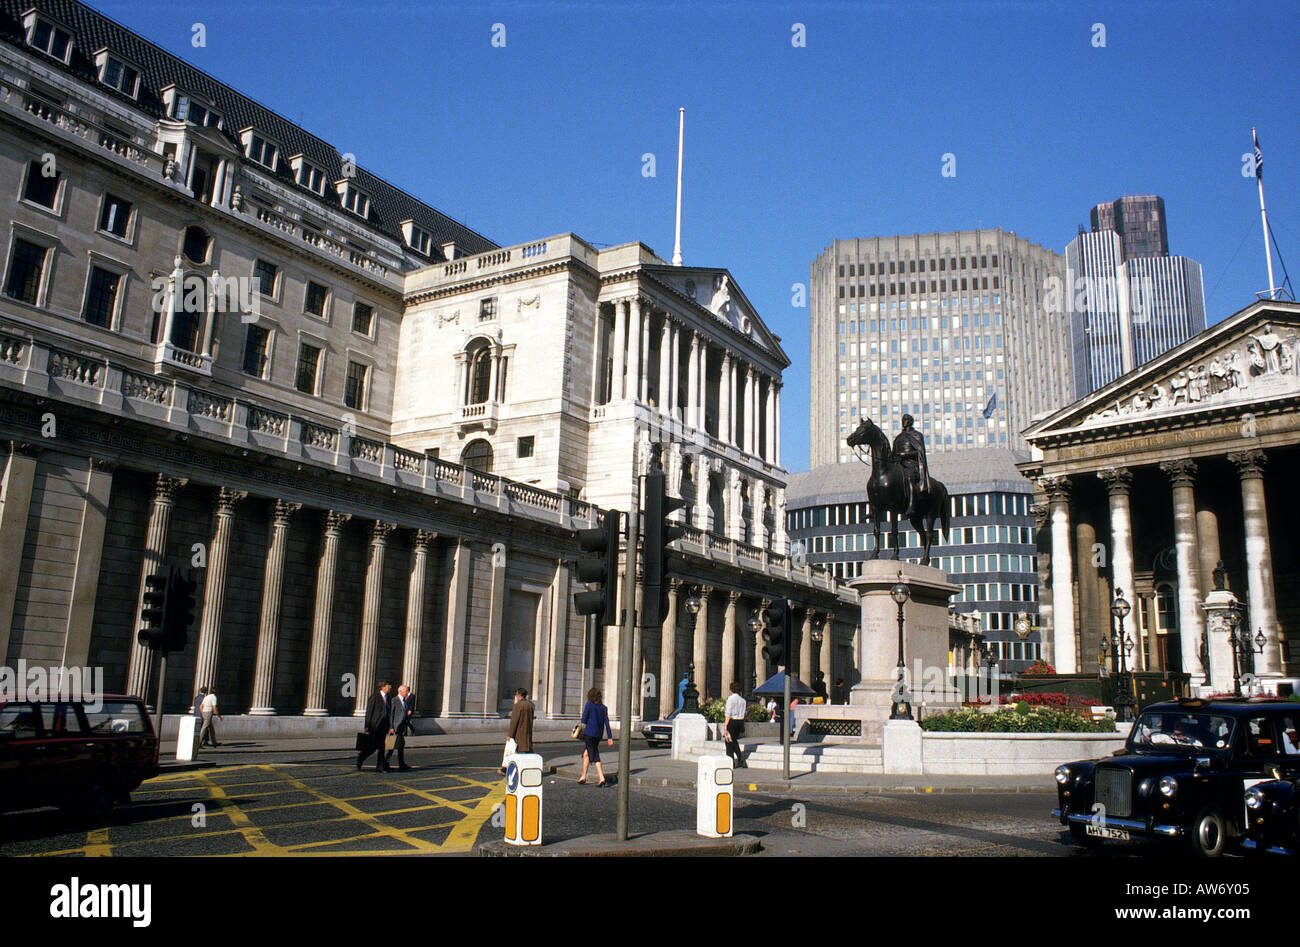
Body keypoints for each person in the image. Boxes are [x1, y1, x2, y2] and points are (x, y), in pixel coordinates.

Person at [892, 413, 931, 518]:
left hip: (911, 464)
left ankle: (911, 505)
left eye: (906, 419)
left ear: (910, 421)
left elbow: (920, 452)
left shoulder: (917, 435)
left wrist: (905, 455)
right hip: (899, 464)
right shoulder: (898, 438)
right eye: (903, 419)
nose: (904, 421)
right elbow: (893, 453)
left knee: (909, 477)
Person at [578, 687, 614, 787]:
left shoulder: (589, 704)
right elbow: (607, 723)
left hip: (589, 734)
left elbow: (584, 719)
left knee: (595, 756)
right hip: (598, 735)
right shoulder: (603, 708)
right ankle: (583, 776)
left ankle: (601, 778)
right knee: (587, 754)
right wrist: (609, 737)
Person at [357, 681, 392, 772]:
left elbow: (388, 713)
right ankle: (361, 757)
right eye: (388, 686)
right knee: (373, 746)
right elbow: (369, 711)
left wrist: (389, 725)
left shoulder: (388, 698)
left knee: (381, 746)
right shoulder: (375, 696)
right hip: (375, 725)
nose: (390, 687)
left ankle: (379, 767)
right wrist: (367, 725)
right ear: (383, 687)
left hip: (384, 725)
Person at [500, 687, 535, 775]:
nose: (516, 696)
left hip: (518, 733)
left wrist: (510, 734)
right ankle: (528, 770)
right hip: (527, 732)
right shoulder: (530, 705)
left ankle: (507, 770)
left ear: (519, 695)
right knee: (527, 751)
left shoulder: (518, 705)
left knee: (512, 753)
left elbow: (514, 721)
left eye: (516, 694)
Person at [385, 684, 414, 771]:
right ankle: (384, 763)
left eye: (407, 691)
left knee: (401, 747)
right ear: (400, 691)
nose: (407, 693)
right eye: (405, 691)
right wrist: (391, 727)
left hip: (401, 728)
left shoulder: (404, 701)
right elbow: (390, 715)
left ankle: (402, 764)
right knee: (390, 747)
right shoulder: (394, 700)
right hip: (394, 728)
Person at [723, 681, 747, 768]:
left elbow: (728, 713)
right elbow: (744, 714)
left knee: (728, 741)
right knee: (734, 740)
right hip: (740, 721)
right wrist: (743, 725)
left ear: (731, 690)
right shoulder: (743, 701)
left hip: (732, 721)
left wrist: (725, 725)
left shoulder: (730, 699)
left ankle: (731, 760)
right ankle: (740, 759)